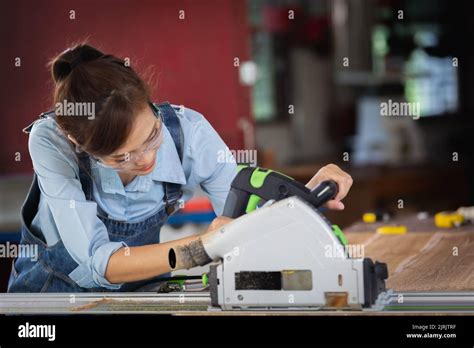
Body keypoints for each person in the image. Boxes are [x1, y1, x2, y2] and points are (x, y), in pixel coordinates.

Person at [7, 44, 353, 292]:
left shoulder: (190, 131)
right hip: (49, 298)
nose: (145, 159)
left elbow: (248, 207)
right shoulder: (51, 140)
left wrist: (299, 201)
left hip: (136, 293)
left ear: (149, 102)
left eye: (151, 136)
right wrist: (203, 246)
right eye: (121, 157)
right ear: (76, 141)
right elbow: (100, 262)